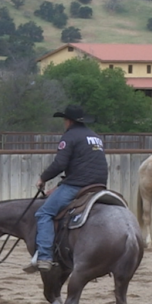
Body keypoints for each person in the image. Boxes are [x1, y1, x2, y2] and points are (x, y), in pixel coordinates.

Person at [26, 104, 109, 273]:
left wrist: (43, 178)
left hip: (78, 185)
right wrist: (58, 187)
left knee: (44, 213)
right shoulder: (95, 136)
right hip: (98, 184)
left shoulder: (69, 136)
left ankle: (44, 257)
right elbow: (82, 165)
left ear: (68, 121)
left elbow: (60, 164)